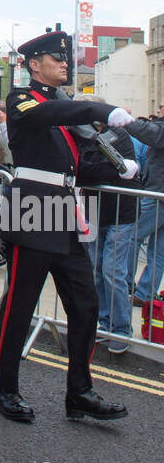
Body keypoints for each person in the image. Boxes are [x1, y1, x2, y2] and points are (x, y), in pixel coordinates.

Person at [0, 29, 130, 424]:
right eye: (57, 59)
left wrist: (119, 169)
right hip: (32, 208)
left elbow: (76, 168)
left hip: (64, 212)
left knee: (85, 306)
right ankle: (5, 387)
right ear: (34, 65)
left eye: (66, 59)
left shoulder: (63, 107)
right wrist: (99, 109)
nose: (65, 64)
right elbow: (50, 116)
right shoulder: (23, 99)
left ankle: (80, 391)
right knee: (20, 306)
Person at [77, 113, 141, 355]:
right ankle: (106, 324)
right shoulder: (81, 136)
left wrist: (96, 170)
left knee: (112, 271)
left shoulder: (118, 135)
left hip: (121, 213)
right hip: (94, 211)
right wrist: (100, 170)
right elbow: (84, 169)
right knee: (94, 270)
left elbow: (118, 168)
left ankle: (121, 329)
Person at [126, 103, 164, 318]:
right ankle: (146, 293)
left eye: (162, 107)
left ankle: (127, 285)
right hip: (158, 193)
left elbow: (150, 134)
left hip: (157, 194)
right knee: (159, 251)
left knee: (132, 236)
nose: (159, 109)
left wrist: (124, 119)